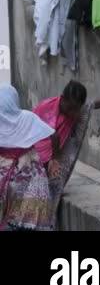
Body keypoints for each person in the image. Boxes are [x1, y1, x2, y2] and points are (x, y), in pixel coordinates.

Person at [32, 80, 100, 225]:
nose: (73, 113)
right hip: (38, 157)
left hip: (56, 157)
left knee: (51, 194)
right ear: (62, 99)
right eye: (70, 108)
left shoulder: (77, 112)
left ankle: (48, 219)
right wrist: (55, 158)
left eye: (76, 109)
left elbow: (94, 105)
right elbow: (45, 135)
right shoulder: (45, 108)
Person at [0, 85, 55, 231]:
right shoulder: (27, 117)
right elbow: (51, 133)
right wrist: (54, 158)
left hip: (6, 182)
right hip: (31, 176)